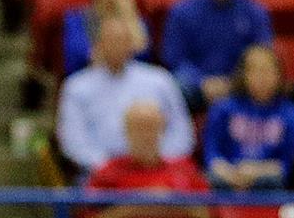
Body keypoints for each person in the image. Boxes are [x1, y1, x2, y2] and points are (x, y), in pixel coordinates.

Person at [82, 99, 238, 218]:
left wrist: (172, 203)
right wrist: (136, 206)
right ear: (126, 132)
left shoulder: (185, 169)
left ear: (161, 130)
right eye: (139, 128)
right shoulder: (107, 173)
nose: (146, 135)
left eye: (151, 128)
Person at [56, 14, 193, 176]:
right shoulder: (76, 87)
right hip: (101, 173)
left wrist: (158, 163)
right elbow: (73, 141)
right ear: (98, 44)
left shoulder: (160, 80)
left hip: (159, 170)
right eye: (111, 40)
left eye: (121, 40)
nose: (116, 46)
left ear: (131, 43)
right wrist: (112, 169)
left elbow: (181, 132)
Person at [162, 0, 273, 109]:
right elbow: (175, 59)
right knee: (173, 85)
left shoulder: (255, 13)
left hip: (240, 88)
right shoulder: (183, 11)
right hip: (194, 89)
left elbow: (262, 57)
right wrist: (202, 82)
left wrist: (232, 83)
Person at [202, 44, 294, 190]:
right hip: (227, 174)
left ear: (279, 74)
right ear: (242, 75)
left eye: (267, 70)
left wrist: (257, 171)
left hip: (267, 177)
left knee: (273, 182)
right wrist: (229, 173)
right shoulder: (223, 109)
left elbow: (289, 162)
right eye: (254, 71)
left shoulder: (291, 114)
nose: (261, 77)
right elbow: (212, 152)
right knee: (210, 181)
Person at [61, 0, 148, 77]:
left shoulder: (135, 20)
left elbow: (144, 56)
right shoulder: (76, 20)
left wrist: (129, 17)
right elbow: (76, 58)